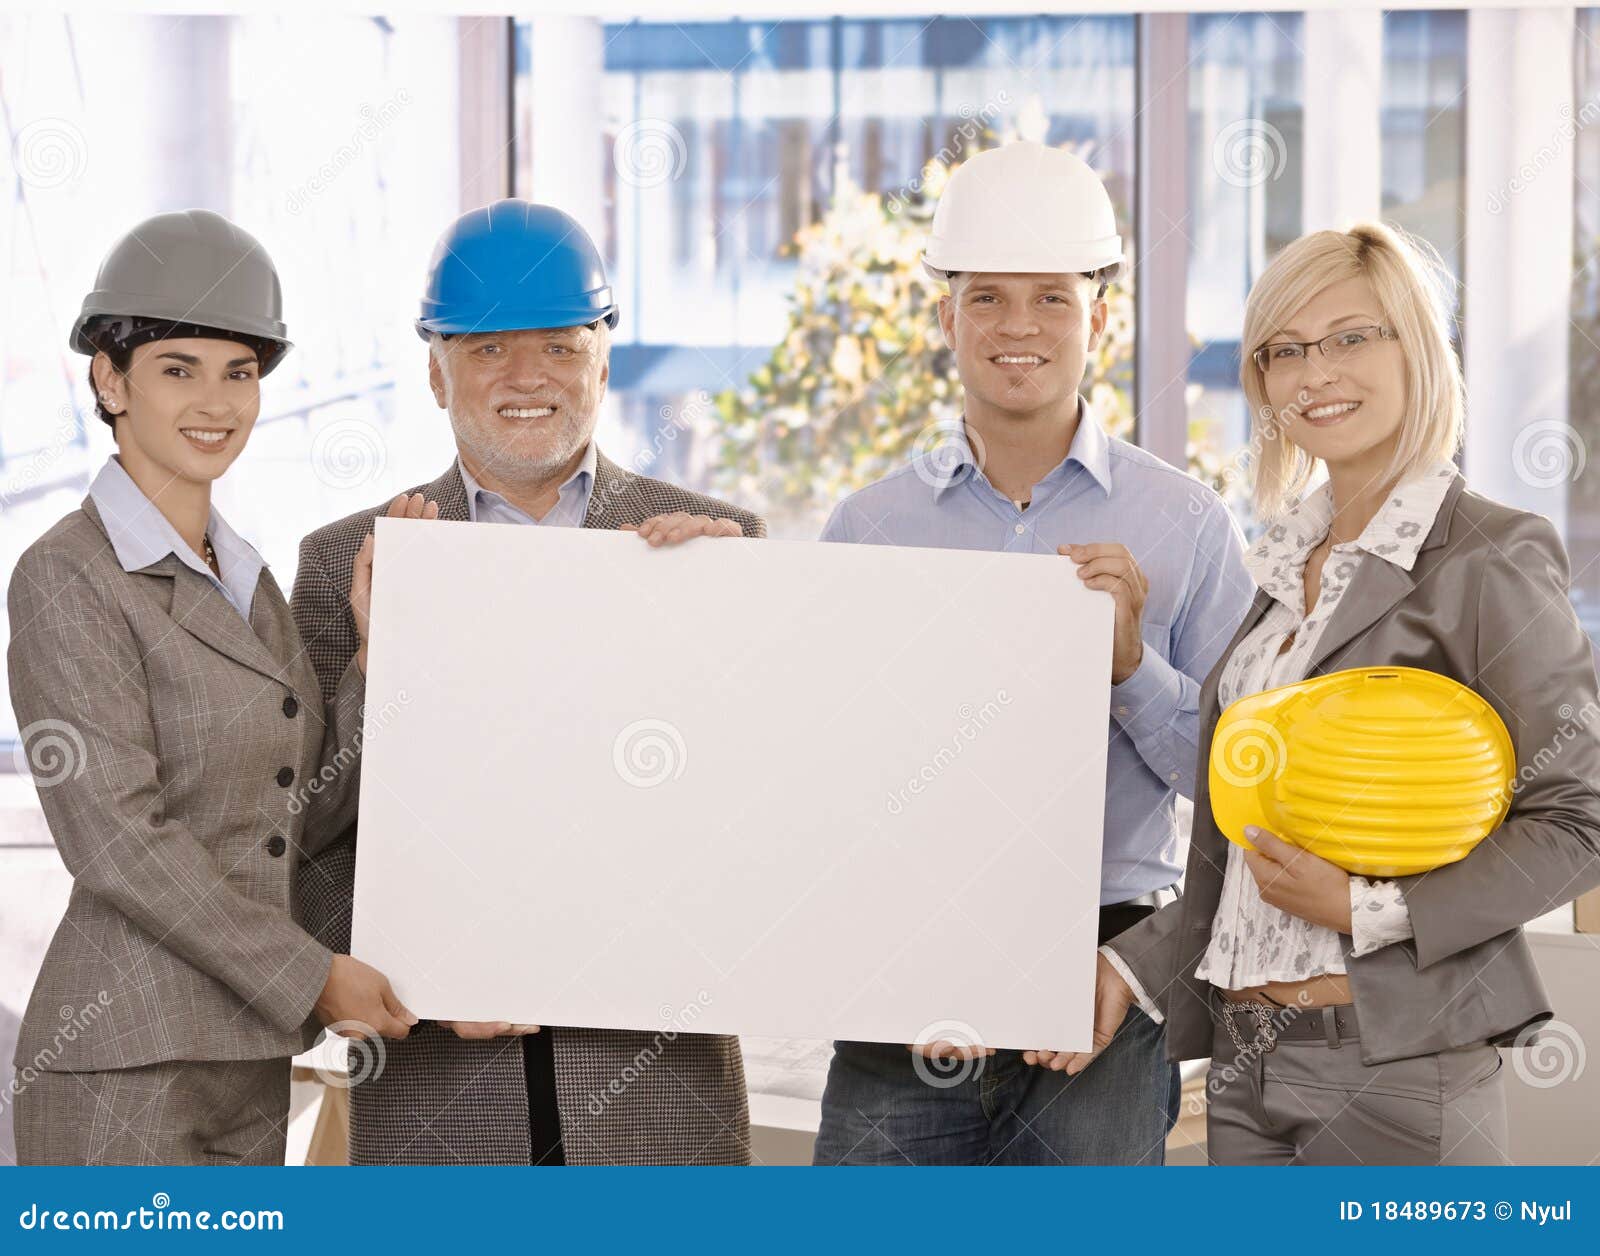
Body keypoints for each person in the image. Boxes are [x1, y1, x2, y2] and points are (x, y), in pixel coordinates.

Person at [1070, 222, 1600, 1164]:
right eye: (1285, 351)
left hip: (1400, 1061)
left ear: (1417, 347)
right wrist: (1130, 963)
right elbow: (1249, 854)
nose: (1316, 373)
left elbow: (1579, 818)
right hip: (1245, 1059)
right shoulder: (1276, 568)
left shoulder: (1487, 554)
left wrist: (1370, 909)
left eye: (1353, 337)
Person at [291, 199, 765, 1166]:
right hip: (440, 1100)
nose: (526, 379)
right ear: (436, 371)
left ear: (603, 358)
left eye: (557, 347)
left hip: (658, 1104)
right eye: (487, 350)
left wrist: (729, 630)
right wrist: (385, 663)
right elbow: (309, 826)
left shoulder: (714, 547)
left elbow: (767, 816)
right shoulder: (349, 561)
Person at [810, 142, 1255, 1166]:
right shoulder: (868, 527)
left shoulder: (1184, 522)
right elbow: (822, 772)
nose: (1019, 328)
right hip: (902, 984)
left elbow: (1246, 785)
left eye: (1052, 298)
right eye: (987, 298)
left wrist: (1130, 667)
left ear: (1100, 315)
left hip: (1096, 986)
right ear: (945, 319)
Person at [7, 210, 414, 1165]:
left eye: (239, 372)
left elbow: (301, 819)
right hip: (124, 1068)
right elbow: (118, 841)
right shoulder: (66, 575)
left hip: (245, 1058)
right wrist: (314, 976)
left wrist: (367, 662)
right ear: (110, 380)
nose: (217, 402)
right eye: (177, 369)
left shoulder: (247, 582)